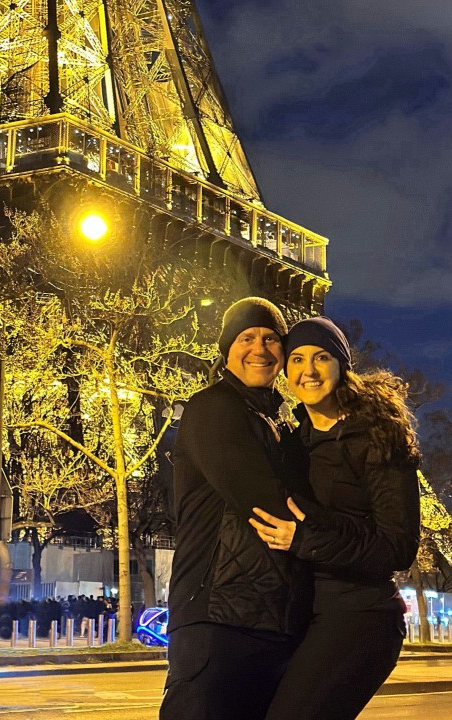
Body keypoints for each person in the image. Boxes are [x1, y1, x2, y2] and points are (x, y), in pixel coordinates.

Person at [249, 317, 421, 720]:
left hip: (362, 616)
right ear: (284, 370)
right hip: (309, 614)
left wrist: (305, 540)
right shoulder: (296, 441)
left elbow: (398, 547)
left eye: (321, 357)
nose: (308, 370)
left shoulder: (377, 436)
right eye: (297, 359)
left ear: (342, 364)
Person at [160, 297, 312, 720]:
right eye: (247, 338)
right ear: (227, 348)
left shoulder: (280, 422)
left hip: (269, 619)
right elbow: (264, 500)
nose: (260, 349)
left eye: (270, 339)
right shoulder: (214, 408)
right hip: (217, 617)